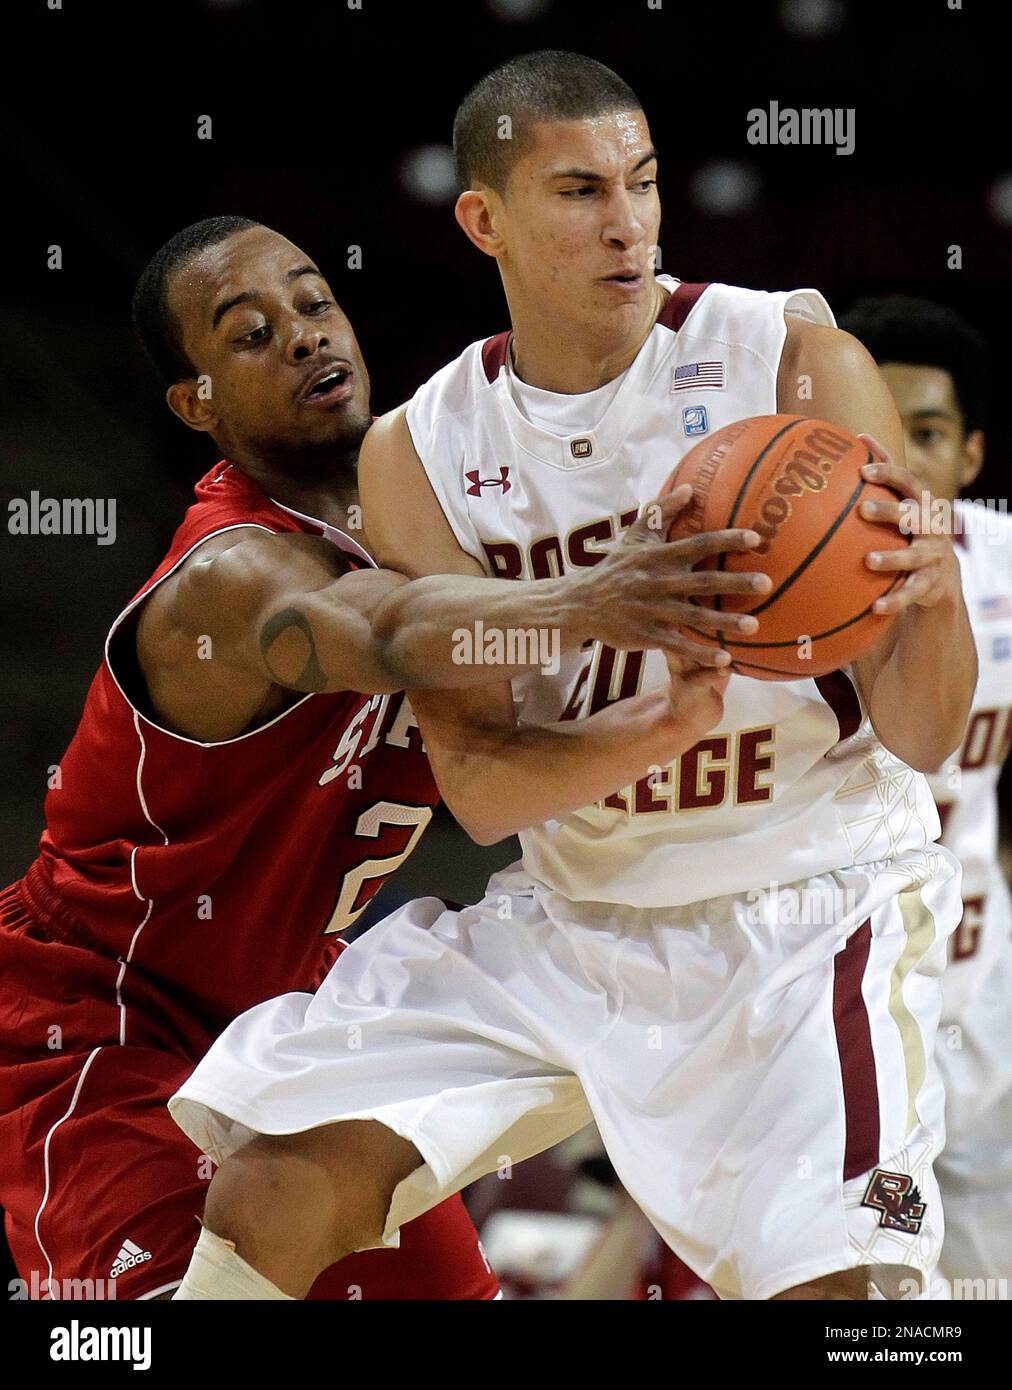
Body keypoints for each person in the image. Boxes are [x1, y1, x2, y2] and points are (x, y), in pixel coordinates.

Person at [169, 51, 976, 1302]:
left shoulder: (793, 363)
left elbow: (922, 739)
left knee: (846, 1300)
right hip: (575, 919)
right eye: (580, 190)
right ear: (484, 218)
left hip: (808, 904)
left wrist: (923, 603)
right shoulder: (420, 454)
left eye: (643, 184)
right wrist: (661, 719)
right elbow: (482, 789)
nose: (628, 224)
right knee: (270, 1185)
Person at [0, 213, 741, 1301]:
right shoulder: (232, 574)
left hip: (300, 1014)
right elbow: (386, 636)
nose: (302, 336)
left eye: (312, 302)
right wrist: (587, 601)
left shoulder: (429, 510)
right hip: (102, 1022)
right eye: (250, 332)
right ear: (195, 405)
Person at [840, 295, 1010, 1296]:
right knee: (875, 1283)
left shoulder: (1002, 573)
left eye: (931, 433)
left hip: (979, 989)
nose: (906, 457)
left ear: (973, 456)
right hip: (852, 1002)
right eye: (885, 430)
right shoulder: (785, 587)